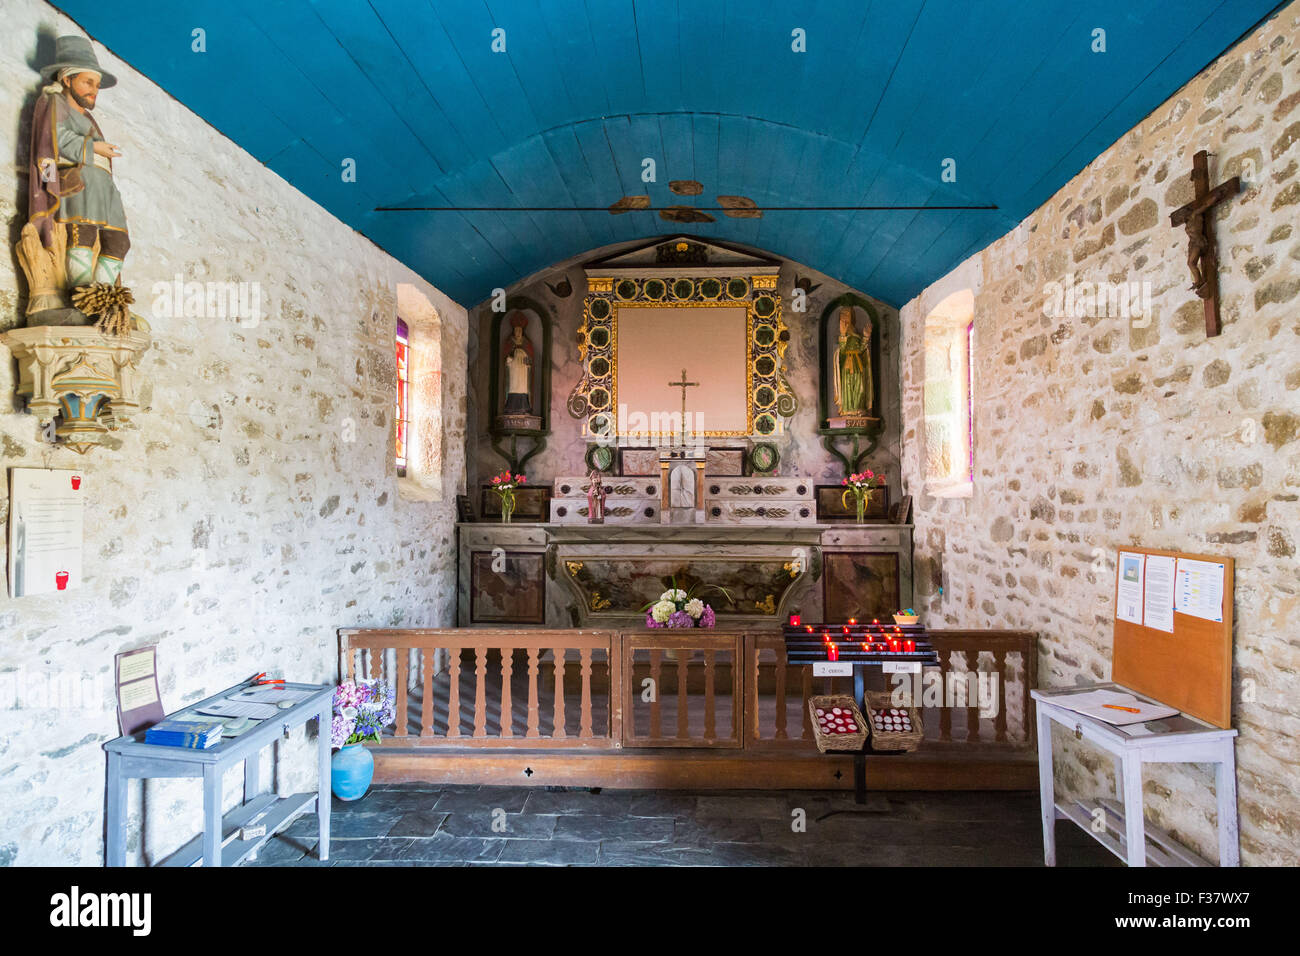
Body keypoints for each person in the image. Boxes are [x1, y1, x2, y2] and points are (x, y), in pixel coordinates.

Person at [29, 35, 130, 290]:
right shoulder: (55, 103)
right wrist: (92, 147)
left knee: (119, 241)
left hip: (104, 187)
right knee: (82, 235)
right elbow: (52, 137)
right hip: (80, 184)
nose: (93, 90)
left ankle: (101, 296)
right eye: (88, 82)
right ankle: (82, 296)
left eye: (96, 85)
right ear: (67, 79)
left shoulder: (88, 119)